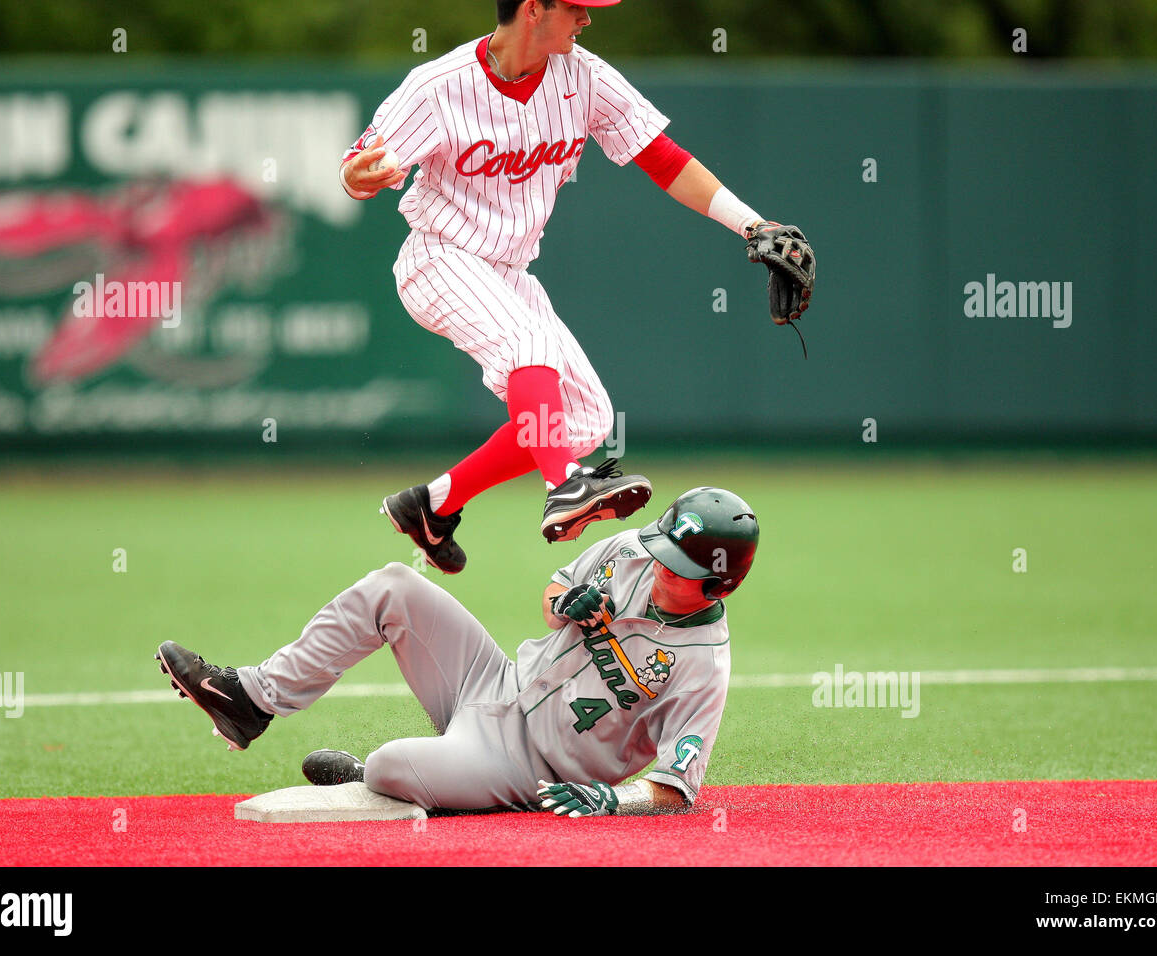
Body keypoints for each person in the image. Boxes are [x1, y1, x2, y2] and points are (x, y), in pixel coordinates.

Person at [341, 0, 807, 574]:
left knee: (586, 420)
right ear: (533, 8)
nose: (588, 18)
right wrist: (358, 175)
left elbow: (663, 160)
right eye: (578, 7)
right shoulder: (438, 85)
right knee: (529, 347)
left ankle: (432, 507)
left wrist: (753, 225)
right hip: (440, 257)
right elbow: (361, 167)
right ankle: (565, 487)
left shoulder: (582, 76)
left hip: (509, 274)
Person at [155, 487, 758, 817]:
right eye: (660, 552)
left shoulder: (703, 665)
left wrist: (613, 799)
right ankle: (251, 700)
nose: (657, 567)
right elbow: (550, 597)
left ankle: (402, 777)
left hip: (526, 766)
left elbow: (676, 788)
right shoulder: (632, 548)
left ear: (721, 584)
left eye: (676, 568)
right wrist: (563, 601)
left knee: (392, 763)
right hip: (492, 679)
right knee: (394, 584)